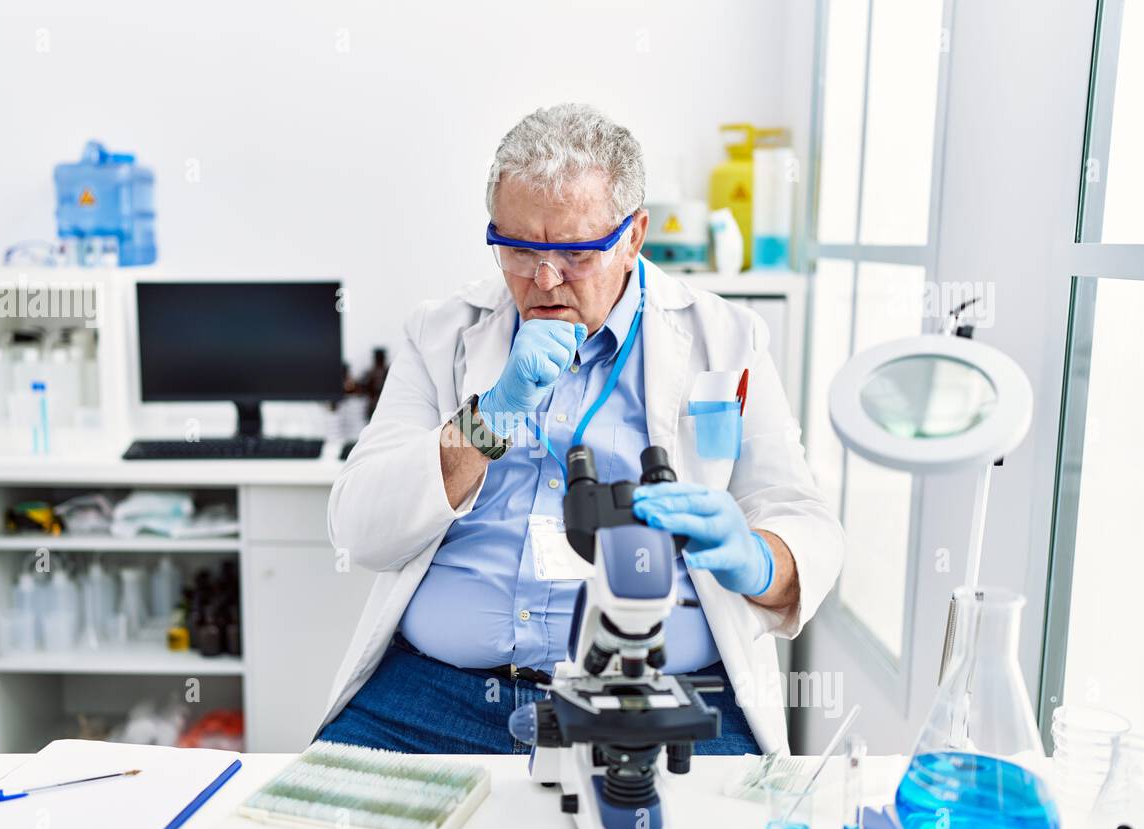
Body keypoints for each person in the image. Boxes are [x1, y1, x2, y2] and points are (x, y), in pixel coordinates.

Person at [317, 103, 843, 756]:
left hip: (658, 698)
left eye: (575, 252)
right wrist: (485, 424)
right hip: (433, 698)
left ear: (633, 236)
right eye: (518, 249)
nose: (543, 280)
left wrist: (758, 557)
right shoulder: (440, 333)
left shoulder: (727, 339)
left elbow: (808, 528)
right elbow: (358, 528)